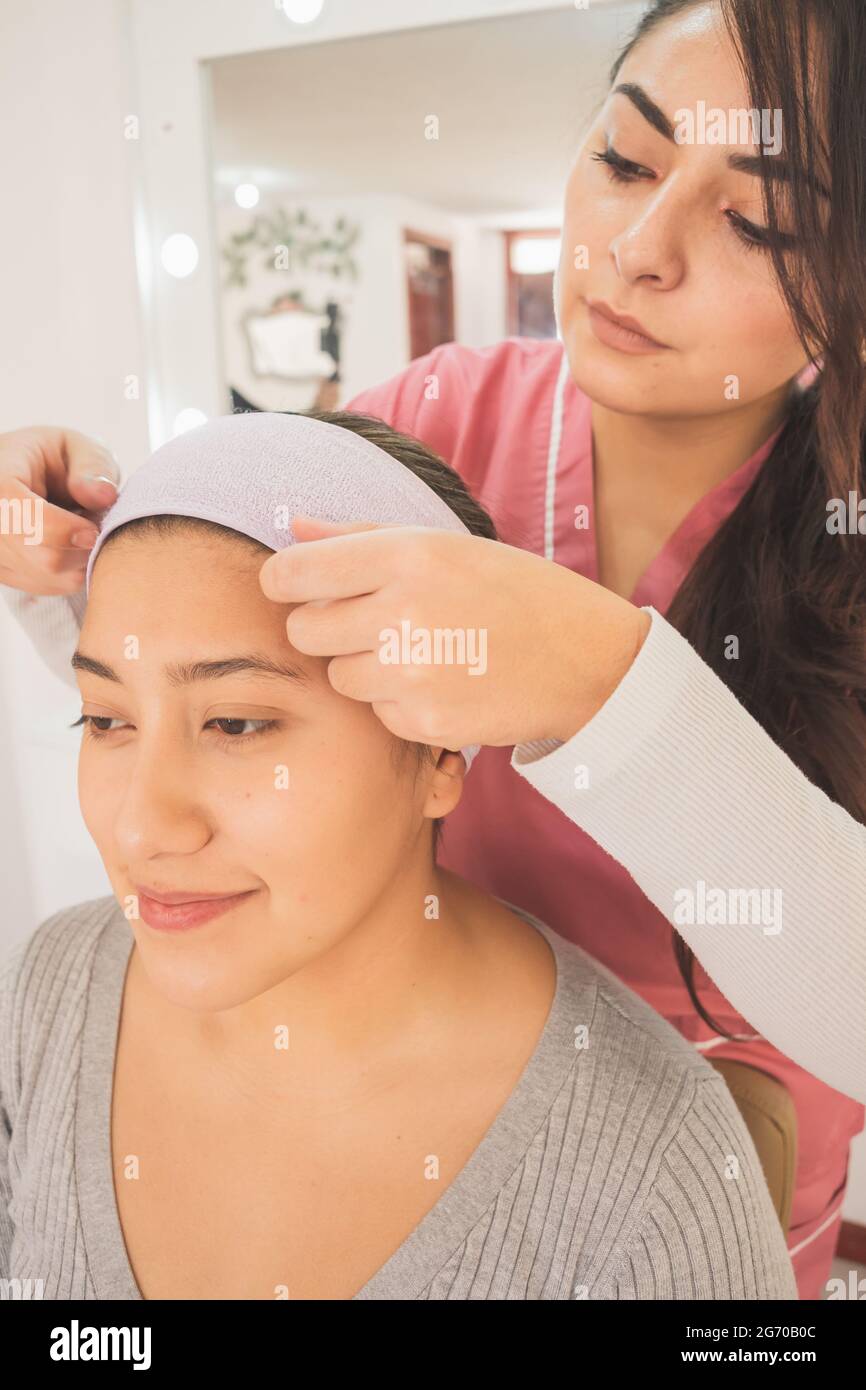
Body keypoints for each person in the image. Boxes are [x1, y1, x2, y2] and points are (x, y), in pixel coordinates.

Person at [1, 0, 864, 1298]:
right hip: (385, 1108)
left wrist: (601, 688)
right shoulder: (430, 419)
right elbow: (236, 714)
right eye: (623, 160)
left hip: (676, 1205)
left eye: (757, 221)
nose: (632, 250)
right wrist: (64, 572)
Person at [0, 409, 798, 1301]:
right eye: (107, 719)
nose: (142, 829)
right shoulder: (48, 992)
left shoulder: (654, 1169)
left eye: (236, 723)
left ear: (438, 753)